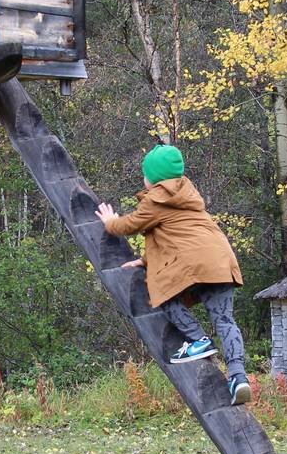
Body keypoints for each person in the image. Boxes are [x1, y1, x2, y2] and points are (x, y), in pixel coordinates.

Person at [95, 144, 251, 404]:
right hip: (221, 261)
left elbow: (129, 225)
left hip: (196, 263)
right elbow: (181, 235)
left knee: (162, 294)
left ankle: (198, 339)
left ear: (152, 177)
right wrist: (146, 260)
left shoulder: (157, 198)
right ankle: (238, 377)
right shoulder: (188, 195)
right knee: (225, 320)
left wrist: (110, 222)